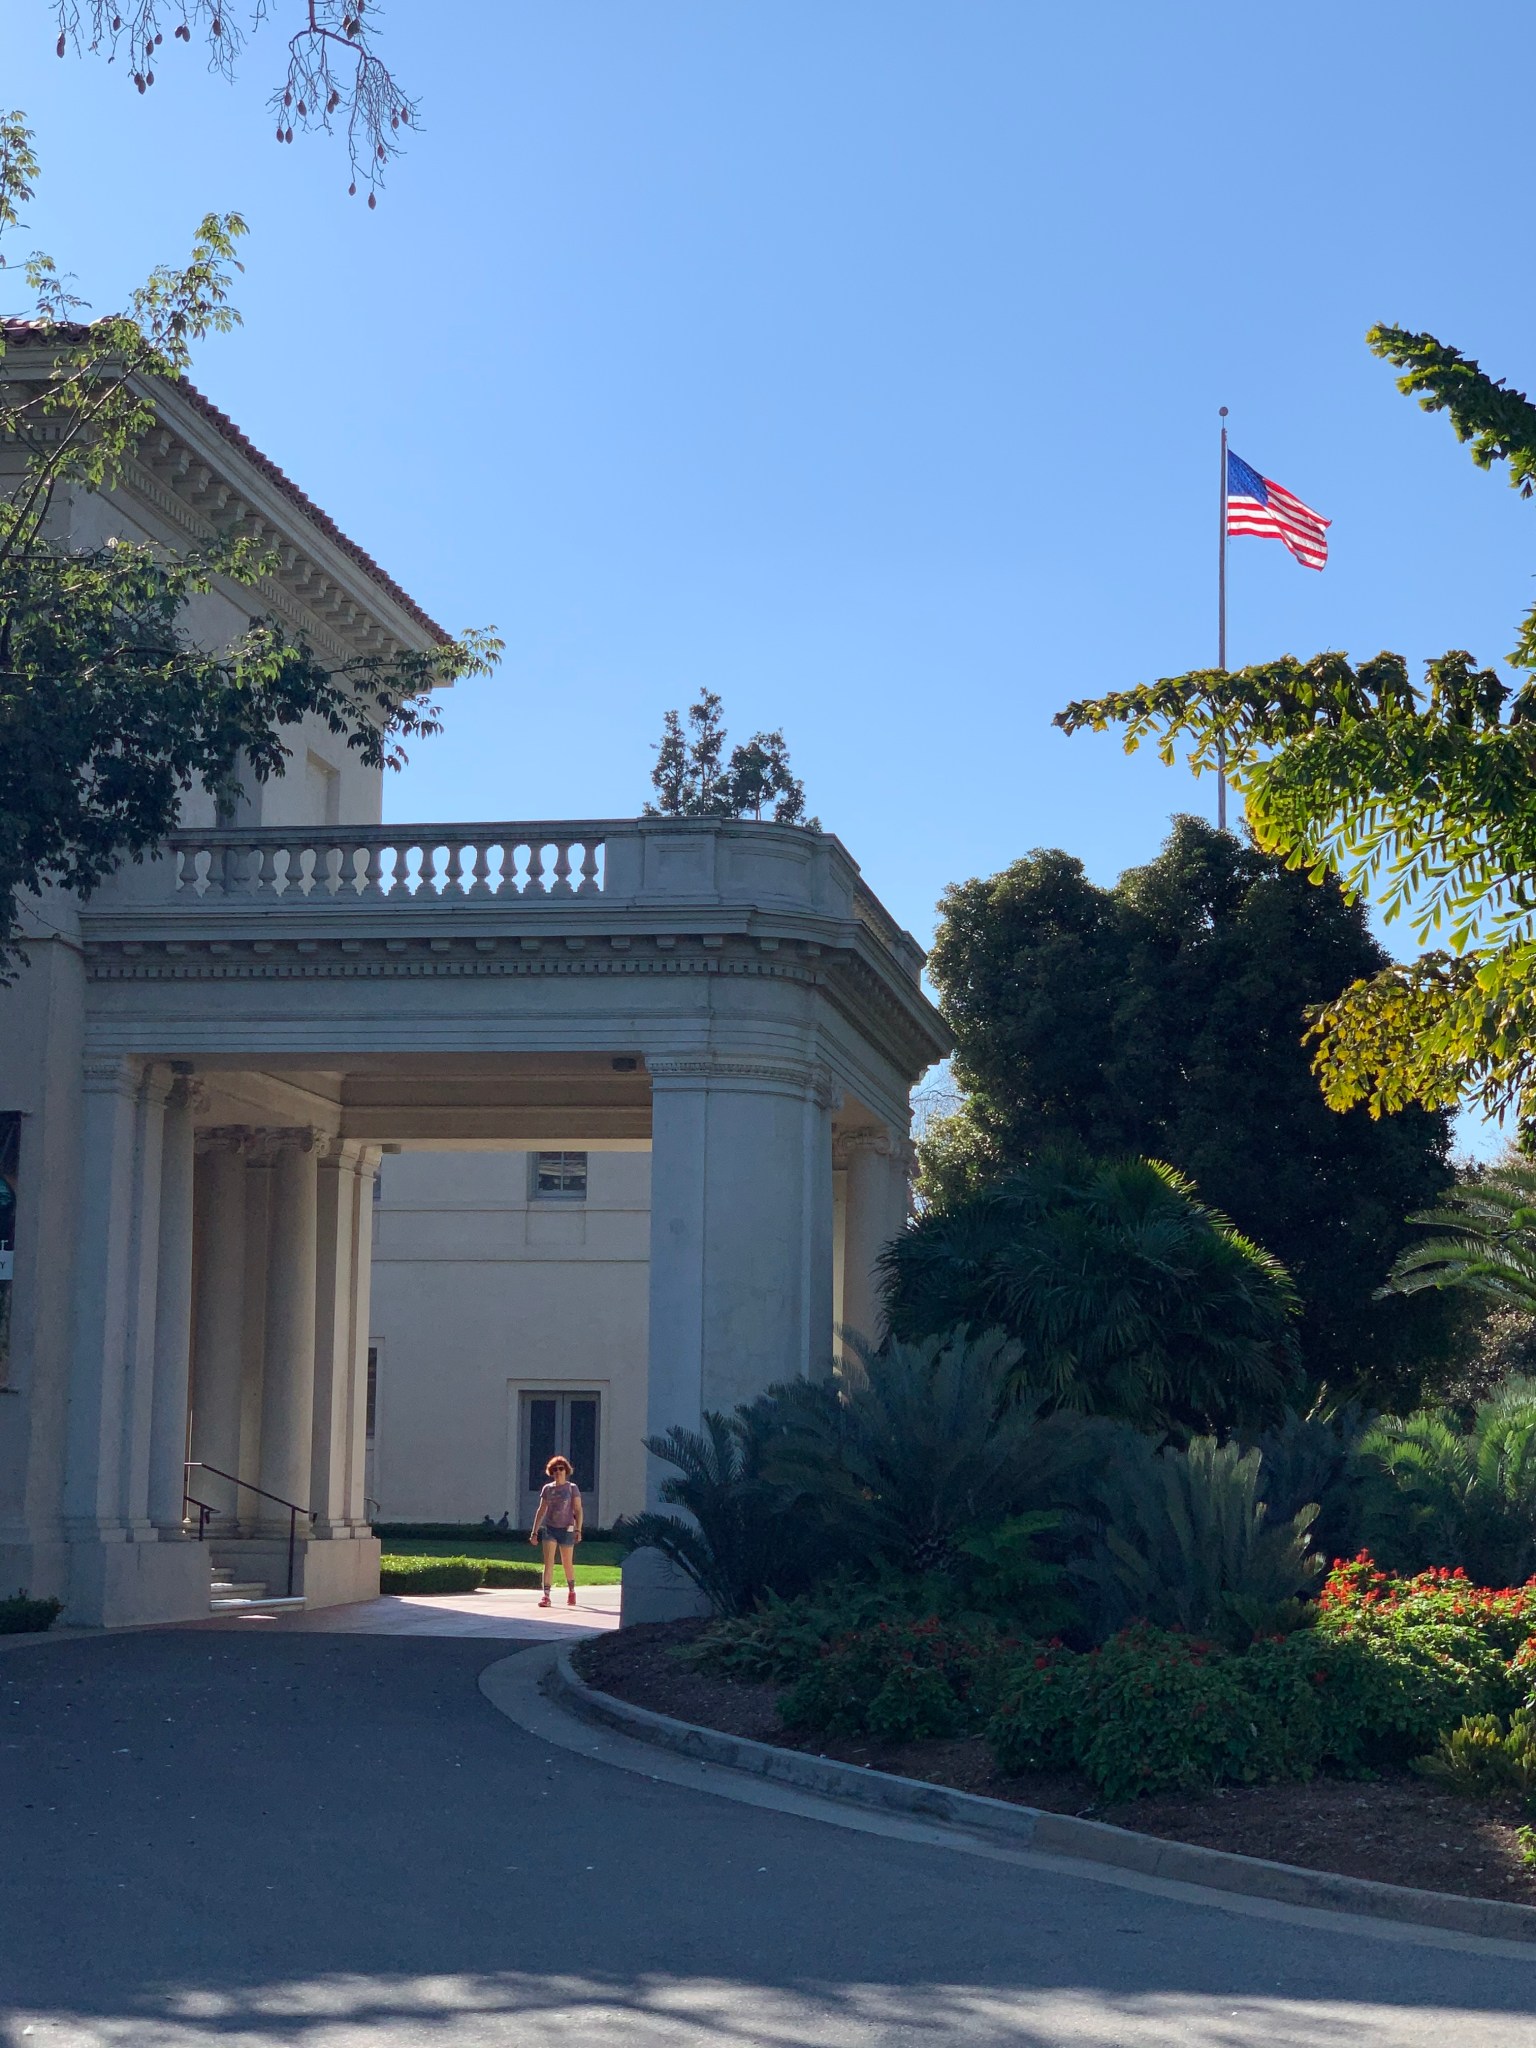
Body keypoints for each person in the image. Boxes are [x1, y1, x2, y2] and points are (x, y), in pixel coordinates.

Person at [528, 1455, 583, 1607]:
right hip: (550, 1528)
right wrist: (534, 1532)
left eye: (561, 1469)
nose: (558, 1472)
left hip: (567, 1529)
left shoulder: (572, 1488)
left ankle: (571, 1590)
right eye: (555, 1470)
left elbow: (578, 1510)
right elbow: (541, 1510)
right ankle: (546, 1596)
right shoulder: (548, 1489)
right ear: (551, 1472)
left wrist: (578, 1529)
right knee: (548, 1562)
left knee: (567, 1563)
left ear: (566, 1471)